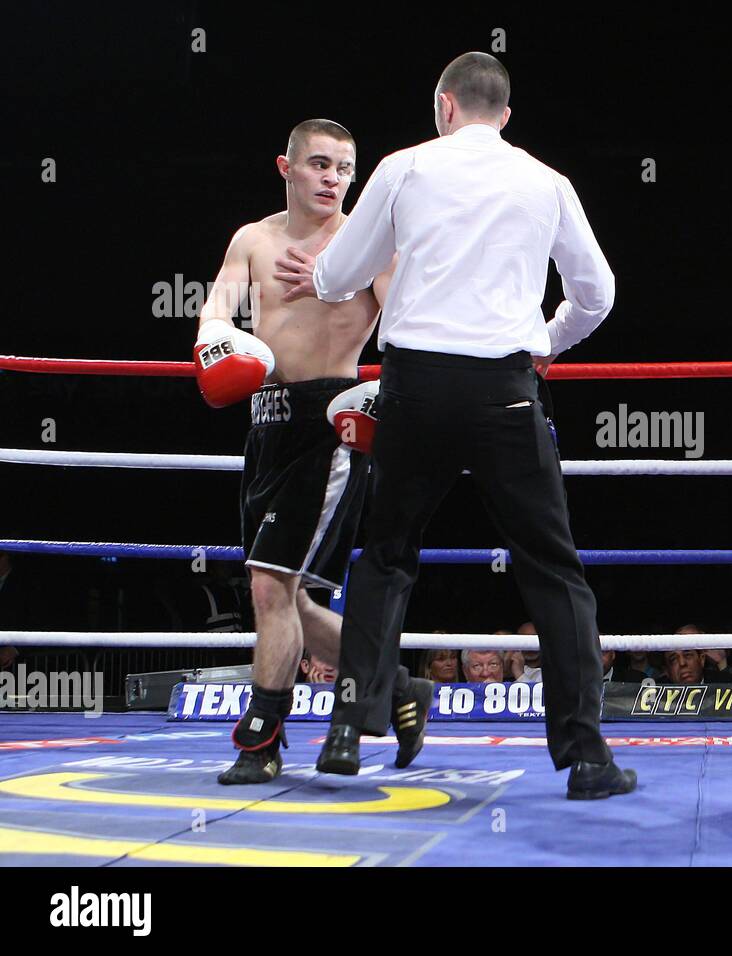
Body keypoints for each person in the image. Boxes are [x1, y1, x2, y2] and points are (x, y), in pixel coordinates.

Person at [280, 54, 634, 799]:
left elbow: (339, 275)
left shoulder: (404, 167)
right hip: (505, 391)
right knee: (553, 570)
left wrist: (322, 276)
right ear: (504, 115)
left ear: (444, 105)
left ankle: (347, 730)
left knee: (386, 556)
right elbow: (597, 293)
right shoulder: (546, 180)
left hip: (415, 388)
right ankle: (587, 758)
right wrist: (546, 342)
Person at [191, 118, 422, 785]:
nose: (333, 179)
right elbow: (215, 312)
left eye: (344, 169)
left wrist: (337, 281)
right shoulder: (252, 240)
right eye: (320, 164)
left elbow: (408, 326)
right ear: (286, 167)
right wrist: (216, 345)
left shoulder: (369, 247)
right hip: (265, 423)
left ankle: (260, 737)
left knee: (270, 587)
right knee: (286, 598)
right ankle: (396, 687)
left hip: (329, 425)